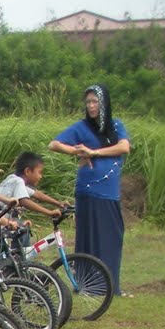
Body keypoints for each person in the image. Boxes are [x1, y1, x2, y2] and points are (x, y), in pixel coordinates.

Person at [49, 85, 131, 295]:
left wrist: (93, 152)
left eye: (95, 101)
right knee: (91, 236)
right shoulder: (82, 127)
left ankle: (110, 285)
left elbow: (124, 147)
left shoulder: (115, 125)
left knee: (113, 234)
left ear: (104, 103)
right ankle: (92, 285)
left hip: (110, 191)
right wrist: (77, 152)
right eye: (88, 102)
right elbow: (54, 144)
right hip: (89, 189)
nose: (92, 106)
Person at [0, 152, 66, 219]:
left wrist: (59, 203)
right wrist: (49, 213)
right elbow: (24, 201)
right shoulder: (18, 181)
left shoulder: (13, 179)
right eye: (39, 172)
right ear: (27, 171)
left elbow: (38, 195)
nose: (41, 176)